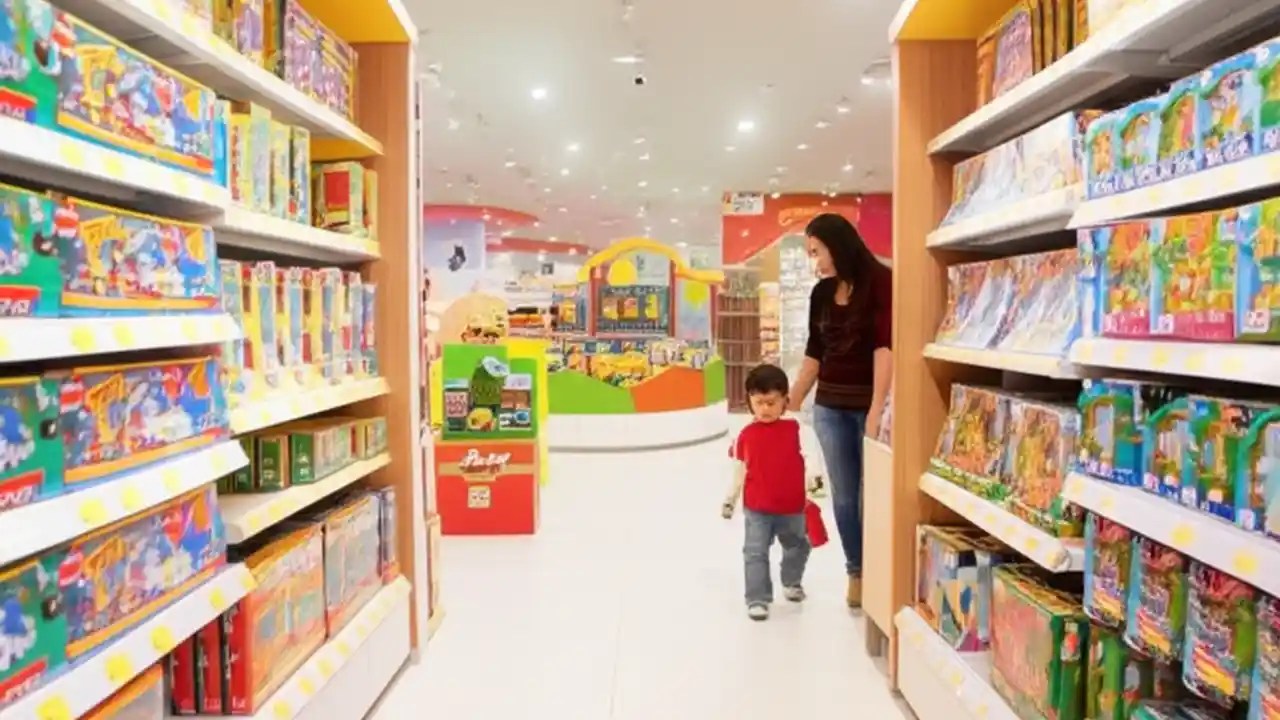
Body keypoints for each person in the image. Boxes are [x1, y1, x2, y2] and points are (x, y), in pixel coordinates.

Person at [787, 212, 892, 609]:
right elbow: (815, 351)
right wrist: (793, 398)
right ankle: (858, 572)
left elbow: (886, 347)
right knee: (845, 497)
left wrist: (877, 408)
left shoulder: (881, 283)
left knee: (876, 494)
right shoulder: (820, 293)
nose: (815, 261)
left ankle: (883, 570)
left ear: (837, 243)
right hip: (829, 408)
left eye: (817, 251)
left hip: (870, 404)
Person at [721, 364, 818, 621]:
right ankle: (757, 597)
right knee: (754, 552)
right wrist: (730, 499)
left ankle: (791, 580)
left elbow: (811, 456)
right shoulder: (745, 435)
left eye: (771, 403)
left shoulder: (797, 429)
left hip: (792, 506)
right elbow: (739, 470)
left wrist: (814, 479)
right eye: (759, 402)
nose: (765, 409)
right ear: (749, 402)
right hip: (757, 507)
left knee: (798, 545)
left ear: (785, 400)